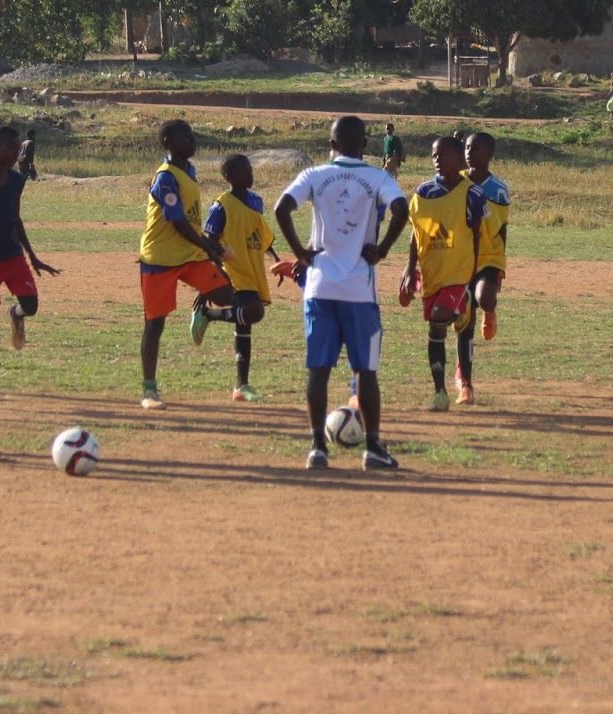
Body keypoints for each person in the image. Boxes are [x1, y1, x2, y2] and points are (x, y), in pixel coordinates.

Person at [275, 115, 409, 471]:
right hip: (359, 290)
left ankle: (318, 447)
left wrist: (301, 253)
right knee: (365, 371)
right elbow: (401, 209)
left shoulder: (315, 175)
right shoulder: (377, 176)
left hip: (320, 287)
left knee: (318, 370)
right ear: (365, 145)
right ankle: (373, 449)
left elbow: (281, 208)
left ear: (331, 144)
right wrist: (381, 249)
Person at [138, 120, 242, 410]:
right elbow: (178, 221)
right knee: (155, 324)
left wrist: (207, 250)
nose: (193, 139)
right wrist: (210, 247)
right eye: (187, 135)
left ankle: (203, 314)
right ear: (169, 142)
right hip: (159, 258)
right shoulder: (165, 178)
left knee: (225, 295)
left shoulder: (190, 171)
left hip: (190, 254)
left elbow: (191, 220)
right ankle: (149, 391)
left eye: (193, 134)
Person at [0, 126, 61, 401]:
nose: (17, 153)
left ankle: (15, 315)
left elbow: (15, 218)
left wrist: (32, 256)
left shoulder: (15, 181)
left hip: (12, 255)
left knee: (31, 305)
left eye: (18, 148)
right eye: (12, 148)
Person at [401, 135, 487, 412]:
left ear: (460, 159)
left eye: (443, 155)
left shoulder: (473, 194)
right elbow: (416, 236)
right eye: (434, 155)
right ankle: (442, 391)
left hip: (459, 274)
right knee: (440, 328)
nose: (437, 160)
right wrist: (409, 268)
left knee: (439, 318)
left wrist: (474, 273)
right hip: (431, 273)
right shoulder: (423, 193)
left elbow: (476, 236)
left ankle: (458, 386)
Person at [197, 153, 278, 402]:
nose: (251, 174)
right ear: (229, 177)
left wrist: (276, 259)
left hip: (252, 269)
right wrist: (211, 276)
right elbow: (208, 241)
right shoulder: (221, 205)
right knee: (254, 312)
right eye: (246, 171)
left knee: (245, 327)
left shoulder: (256, 201)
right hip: (234, 271)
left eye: (251, 170)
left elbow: (260, 234)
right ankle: (208, 315)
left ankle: (241, 385)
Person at [456, 131, 510, 403]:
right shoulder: (457, 183)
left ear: (489, 154)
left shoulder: (498, 188)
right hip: (460, 258)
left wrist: (500, 265)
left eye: (475, 148)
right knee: (463, 320)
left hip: (488, 256)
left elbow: (501, 229)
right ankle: (466, 383)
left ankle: (490, 310)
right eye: (466, 147)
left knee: (484, 297)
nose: (469, 152)